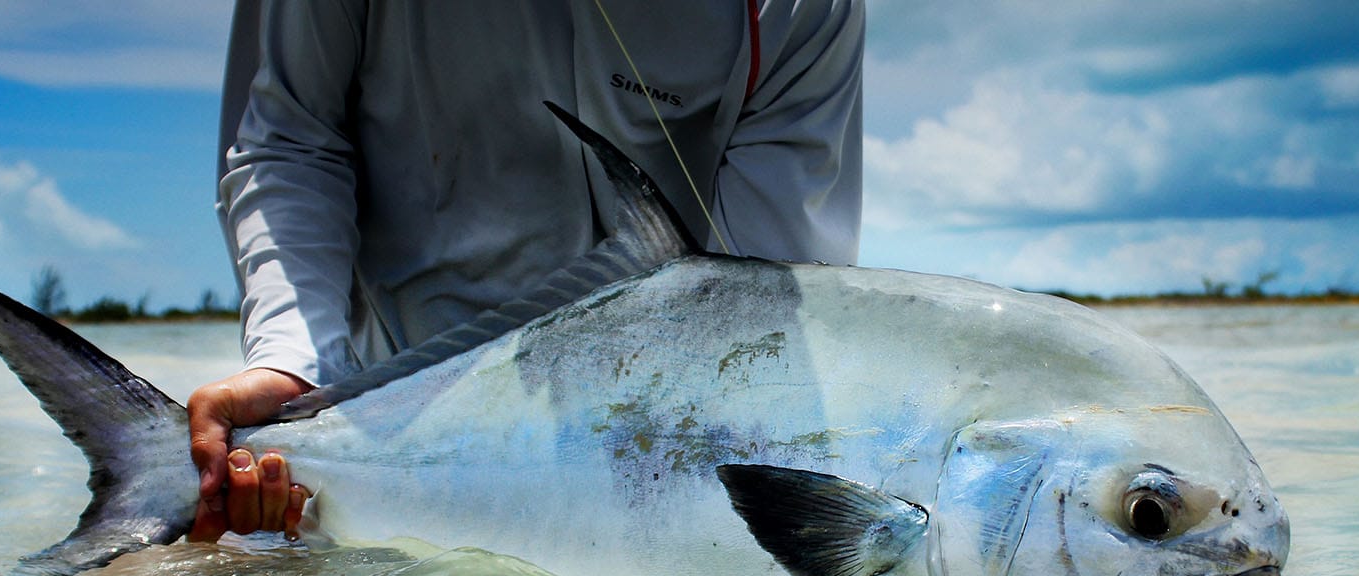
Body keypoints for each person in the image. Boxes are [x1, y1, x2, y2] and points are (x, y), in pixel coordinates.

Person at [188, 0, 865, 542]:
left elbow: (762, 309)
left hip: (651, 453)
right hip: (379, 399)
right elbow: (292, 138)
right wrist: (293, 366)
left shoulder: (804, 8)